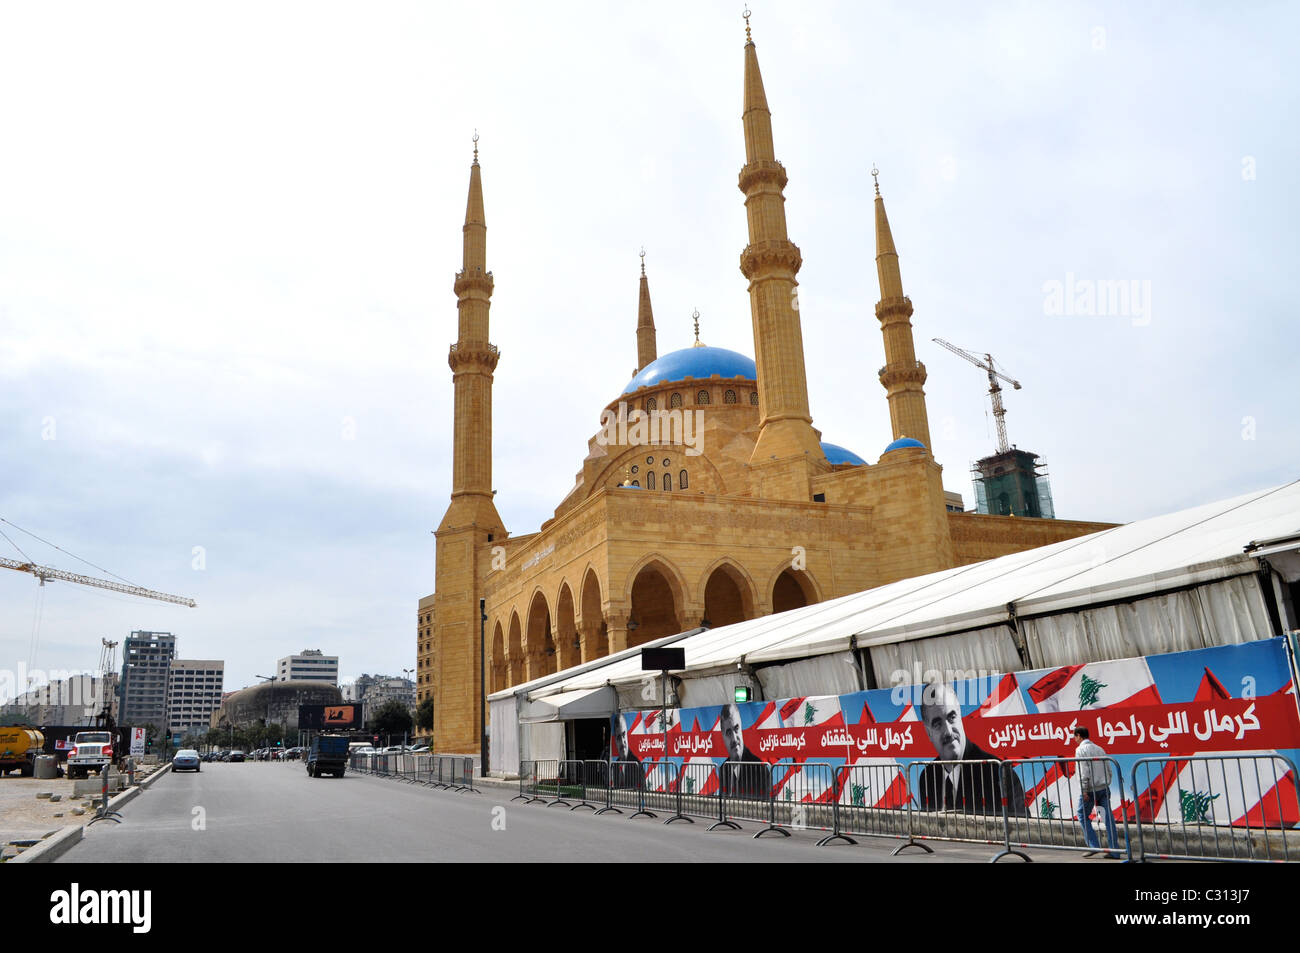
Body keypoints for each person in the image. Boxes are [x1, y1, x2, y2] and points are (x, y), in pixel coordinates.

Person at [915, 683, 1027, 816]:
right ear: (928, 733)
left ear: (960, 715)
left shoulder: (998, 773)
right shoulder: (927, 778)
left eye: (952, 717)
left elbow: (1024, 831)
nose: (948, 732)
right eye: (938, 724)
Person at [1073, 726, 1121, 858]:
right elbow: (1108, 768)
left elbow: (1084, 771)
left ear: (1078, 735)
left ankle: (1094, 845)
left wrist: (1084, 789)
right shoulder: (1099, 748)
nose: (1074, 740)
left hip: (1090, 789)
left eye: (1074, 737)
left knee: (1082, 815)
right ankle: (1115, 851)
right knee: (1108, 818)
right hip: (1104, 788)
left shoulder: (1080, 750)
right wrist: (1106, 782)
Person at [716, 703, 769, 798]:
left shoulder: (759, 768)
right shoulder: (724, 769)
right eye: (728, 733)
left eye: (736, 729)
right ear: (723, 736)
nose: (734, 739)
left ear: (741, 728)